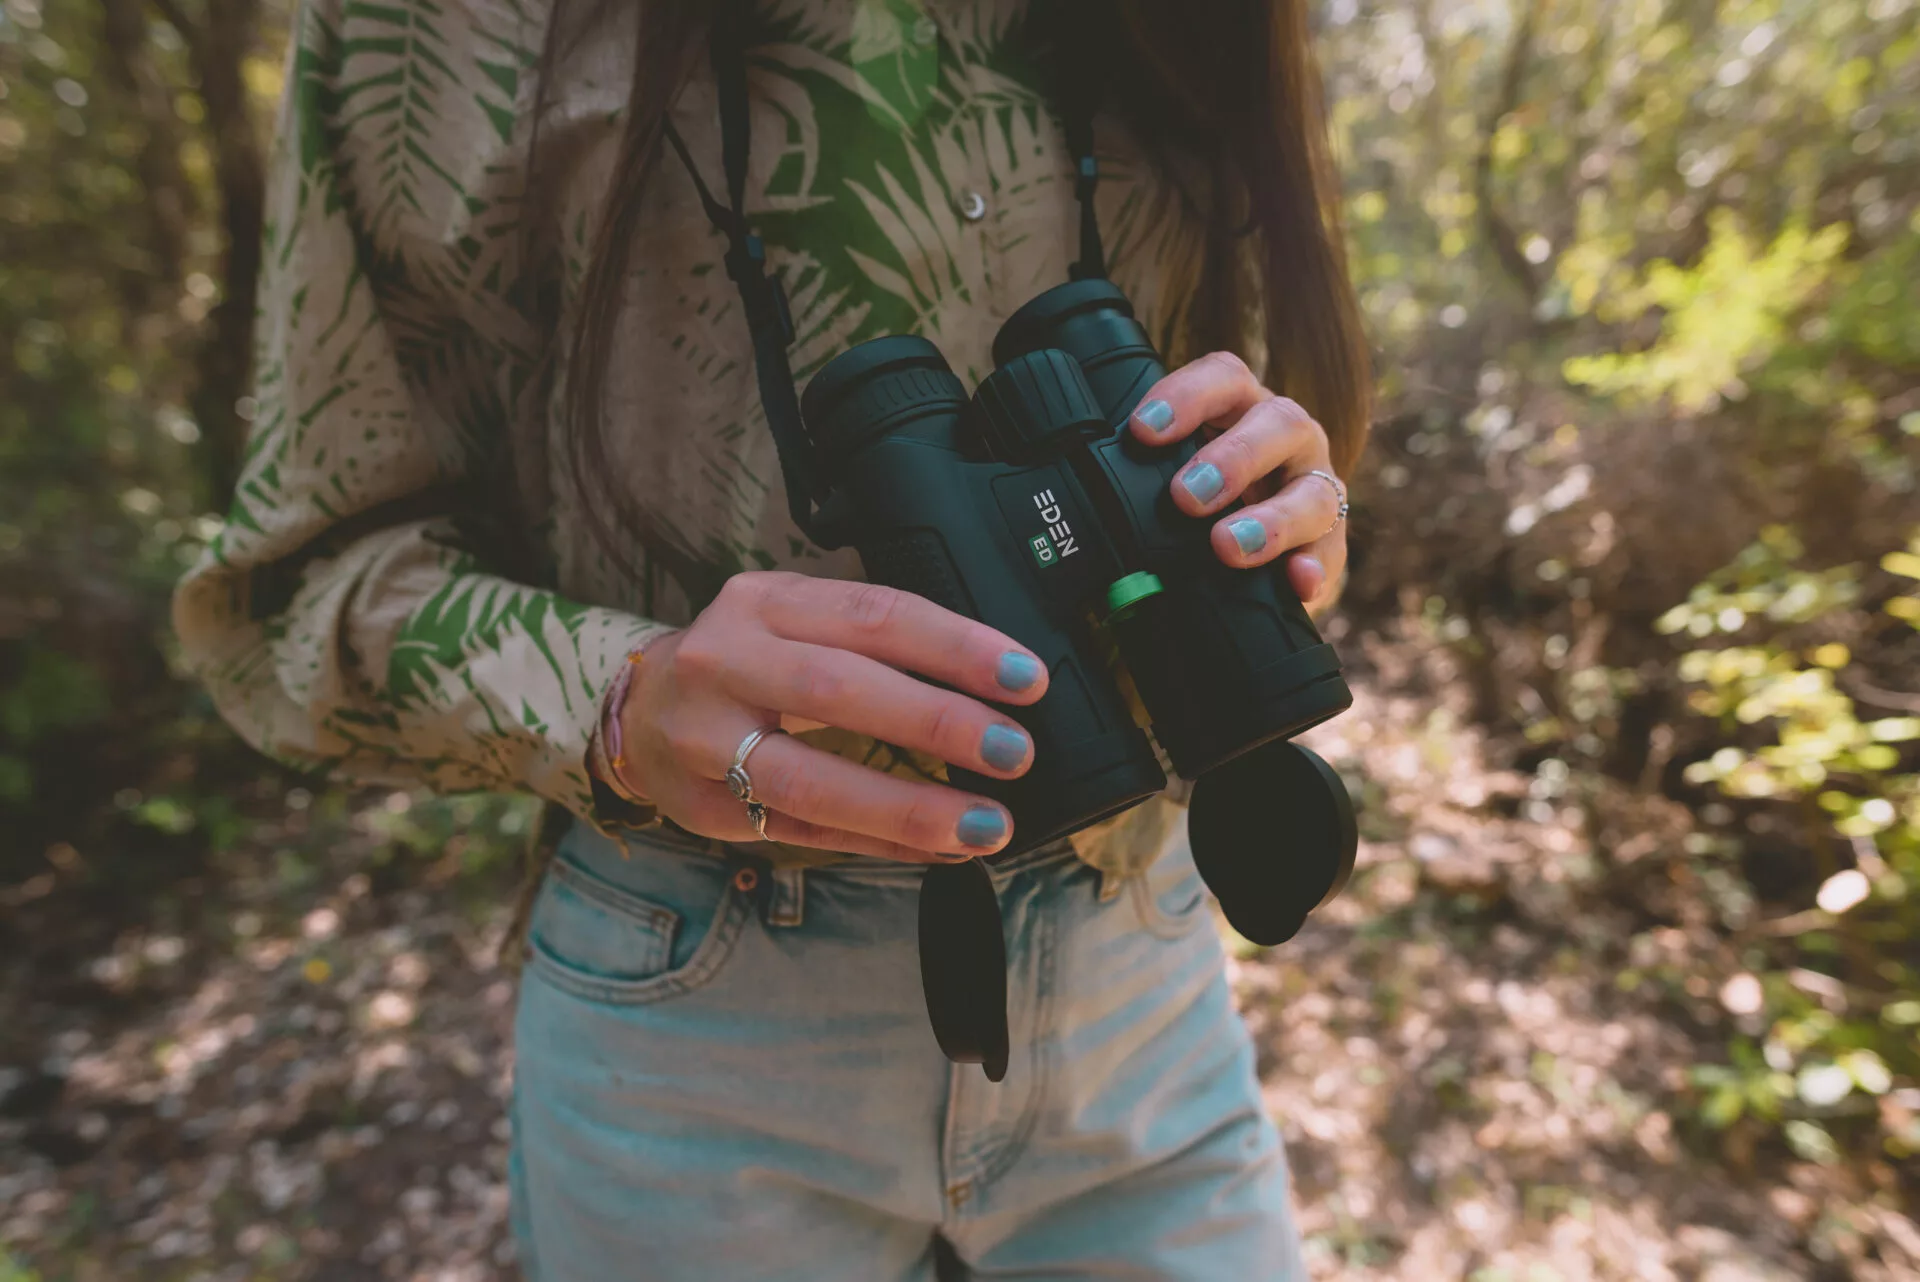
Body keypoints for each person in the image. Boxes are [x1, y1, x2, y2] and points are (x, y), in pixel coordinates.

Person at [175, 0, 1370, 1276]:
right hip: (705, 1020)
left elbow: (1276, 414)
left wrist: (1283, 510)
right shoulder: (432, 26)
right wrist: (617, 700)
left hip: (1145, 968)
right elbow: (295, 589)